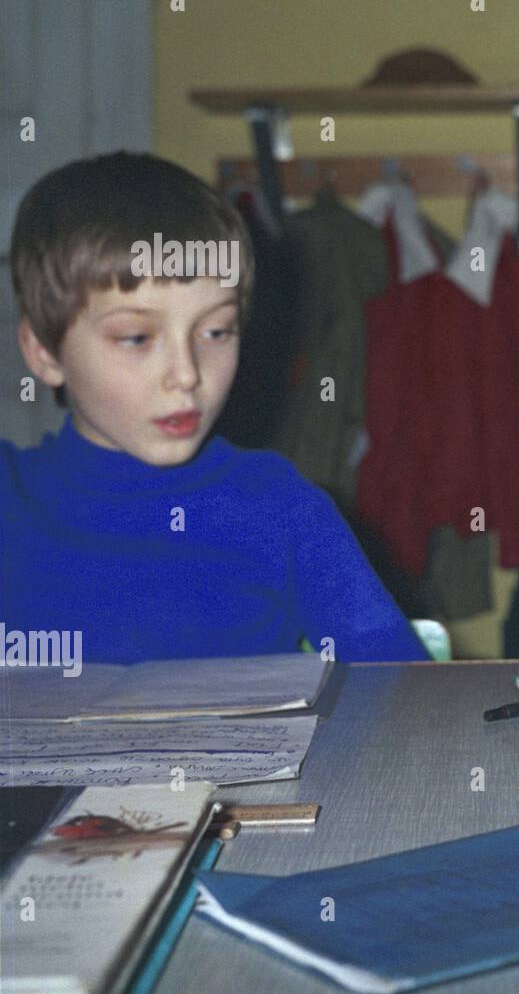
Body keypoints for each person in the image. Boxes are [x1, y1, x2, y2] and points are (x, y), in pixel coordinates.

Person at [0, 151, 429, 666]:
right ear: (44, 352)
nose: (186, 374)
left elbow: (400, 693)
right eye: (137, 337)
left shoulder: (283, 510)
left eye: (216, 331)